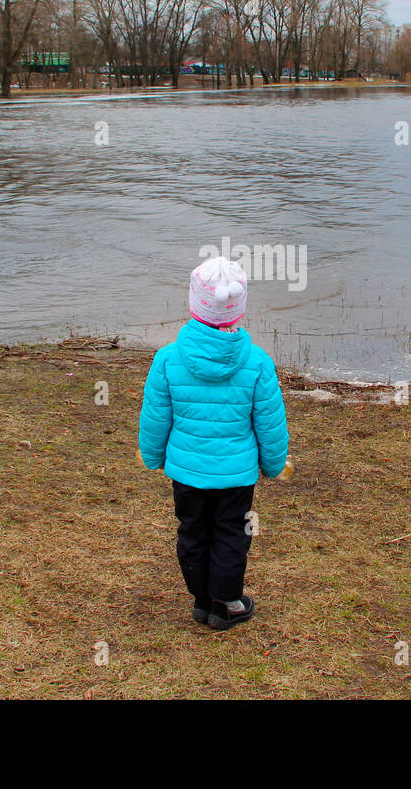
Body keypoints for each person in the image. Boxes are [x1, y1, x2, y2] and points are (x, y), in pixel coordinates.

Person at [138, 255, 291, 630]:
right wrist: (273, 465)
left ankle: (203, 600)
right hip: (235, 476)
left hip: (187, 472)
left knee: (192, 530)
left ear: (194, 304)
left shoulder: (167, 359)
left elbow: (157, 417)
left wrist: (154, 456)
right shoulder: (257, 362)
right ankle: (225, 603)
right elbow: (270, 424)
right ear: (238, 309)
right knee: (231, 535)